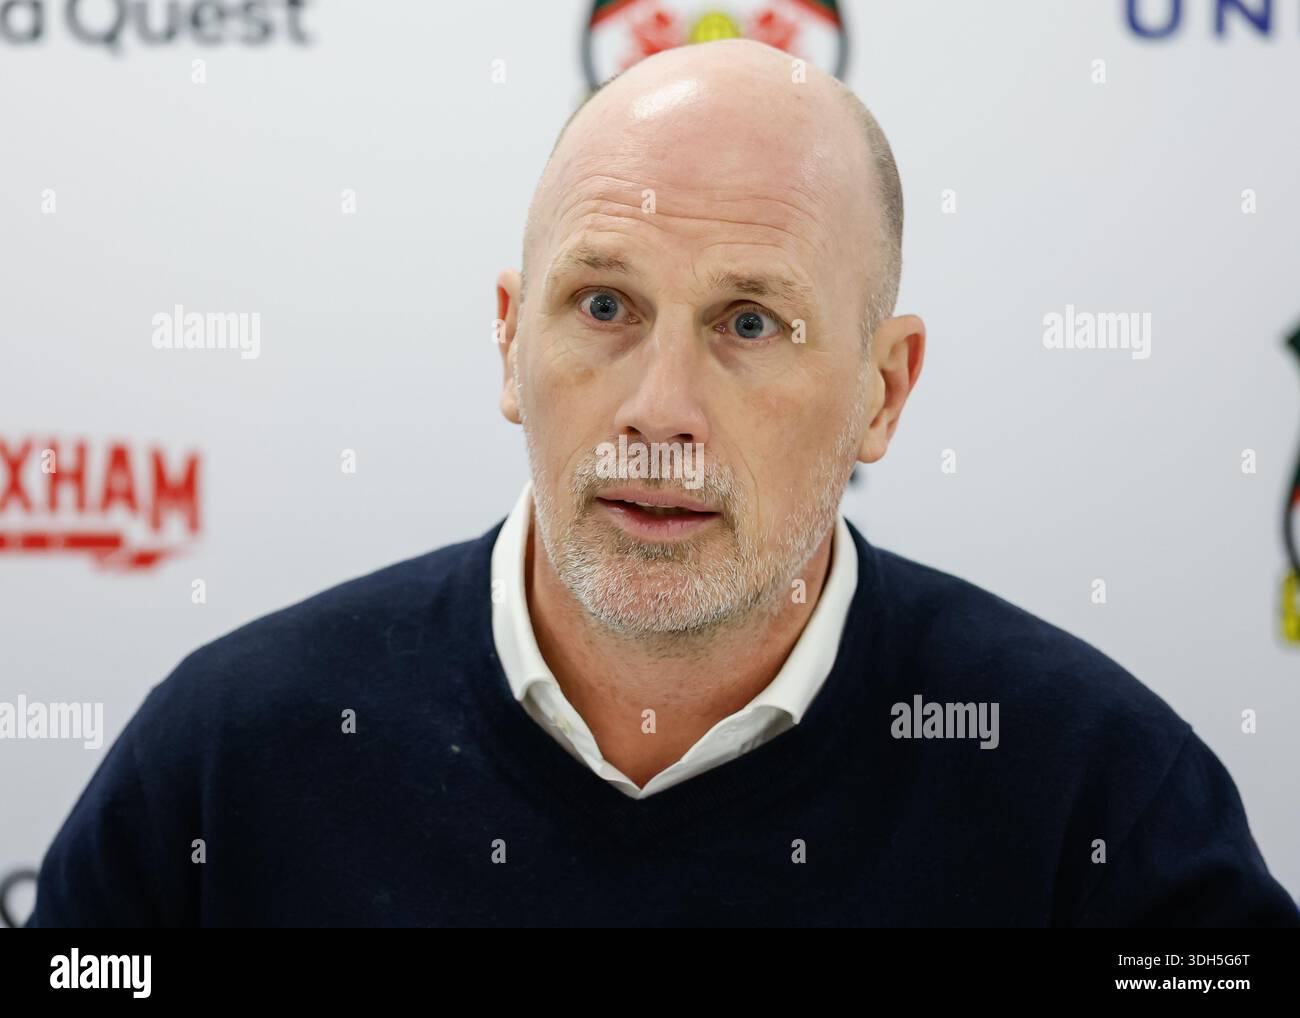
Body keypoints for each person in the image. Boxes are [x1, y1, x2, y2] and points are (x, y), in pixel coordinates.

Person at [27, 38, 1298, 927]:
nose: (658, 412)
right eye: (603, 304)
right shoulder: (227, 758)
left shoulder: (1098, 792)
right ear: (511, 342)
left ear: (884, 391)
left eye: (751, 323)